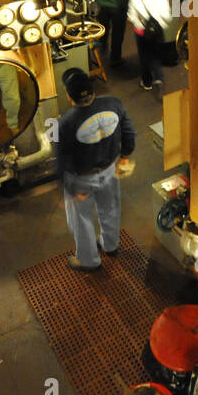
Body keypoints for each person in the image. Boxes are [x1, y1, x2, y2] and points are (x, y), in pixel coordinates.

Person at [56, 68, 135, 271]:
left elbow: (63, 159)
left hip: (81, 178)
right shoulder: (114, 103)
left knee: (81, 219)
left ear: (69, 96)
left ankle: (88, 260)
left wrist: (71, 189)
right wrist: (125, 156)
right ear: (93, 90)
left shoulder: (66, 122)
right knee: (110, 208)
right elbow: (129, 131)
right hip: (109, 170)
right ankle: (110, 245)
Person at [127, 0, 173, 99]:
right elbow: (167, 15)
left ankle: (147, 82)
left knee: (144, 56)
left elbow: (132, 16)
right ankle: (159, 77)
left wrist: (141, 26)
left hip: (142, 32)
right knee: (156, 54)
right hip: (158, 31)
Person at [92, 0, 131, 68]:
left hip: (102, 4)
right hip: (119, 6)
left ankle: (102, 46)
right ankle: (115, 58)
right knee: (117, 34)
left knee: (103, 27)